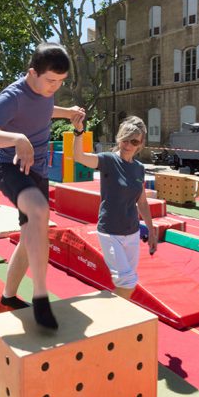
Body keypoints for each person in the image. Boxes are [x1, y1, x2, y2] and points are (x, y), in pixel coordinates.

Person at [0, 42, 85, 329]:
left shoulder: (46, 93)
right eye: (50, 80)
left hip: (37, 173)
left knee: (30, 236)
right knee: (38, 214)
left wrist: (70, 112)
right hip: (10, 169)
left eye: (60, 82)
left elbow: (47, 109)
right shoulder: (12, 96)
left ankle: (9, 296)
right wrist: (18, 139)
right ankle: (40, 298)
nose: (54, 87)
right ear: (32, 73)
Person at [73, 116, 158, 300]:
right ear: (119, 139)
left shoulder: (139, 168)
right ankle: (112, 319)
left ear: (140, 144)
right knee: (127, 282)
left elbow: (142, 202)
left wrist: (151, 230)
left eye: (134, 141)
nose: (128, 144)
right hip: (110, 231)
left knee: (125, 282)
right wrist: (79, 132)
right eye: (125, 139)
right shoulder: (108, 160)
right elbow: (79, 157)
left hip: (132, 233)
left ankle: (118, 319)